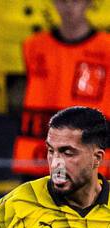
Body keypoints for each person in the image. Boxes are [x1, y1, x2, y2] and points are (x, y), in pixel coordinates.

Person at [14, 0, 110, 177]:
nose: (69, 7)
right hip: (39, 158)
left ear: (89, 3)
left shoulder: (106, 48)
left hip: (89, 160)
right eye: (63, 1)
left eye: (75, 1)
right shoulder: (34, 47)